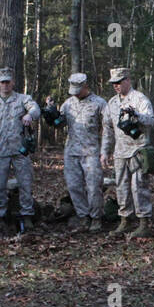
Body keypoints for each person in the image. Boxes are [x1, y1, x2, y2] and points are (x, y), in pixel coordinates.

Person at [0, 67, 40, 234]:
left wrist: (30, 115)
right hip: (0, 151)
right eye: (3, 82)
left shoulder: (22, 99)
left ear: (13, 82)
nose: (6, 85)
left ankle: (27, 216)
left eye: (8, 82)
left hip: (20, 150)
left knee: (25, 184)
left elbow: (35, 109)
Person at [102, 67, 154, 239]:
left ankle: (144, 222)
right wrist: (104, 151)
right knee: (122, 187)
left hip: (138, 149)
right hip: (120, 151)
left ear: (127, 80)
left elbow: (151, 121)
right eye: (113, 84)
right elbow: (107, 129)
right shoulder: (111, 103)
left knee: (138, 186)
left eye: (119, 82)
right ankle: (125, 219)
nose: (116, 86)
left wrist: (137, 115)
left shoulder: (140, 99)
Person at [60, 71, 107, 232]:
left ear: (85, 86)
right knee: (74, 185)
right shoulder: (67, 104)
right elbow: (59, 122)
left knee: (94, 186)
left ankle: (96, 218)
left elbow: (107, 128)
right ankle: (83, 216)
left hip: (91, 150)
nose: (76, 94)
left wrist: (105, 150)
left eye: (78, 90)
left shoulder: (99, 103)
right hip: (72, 150)